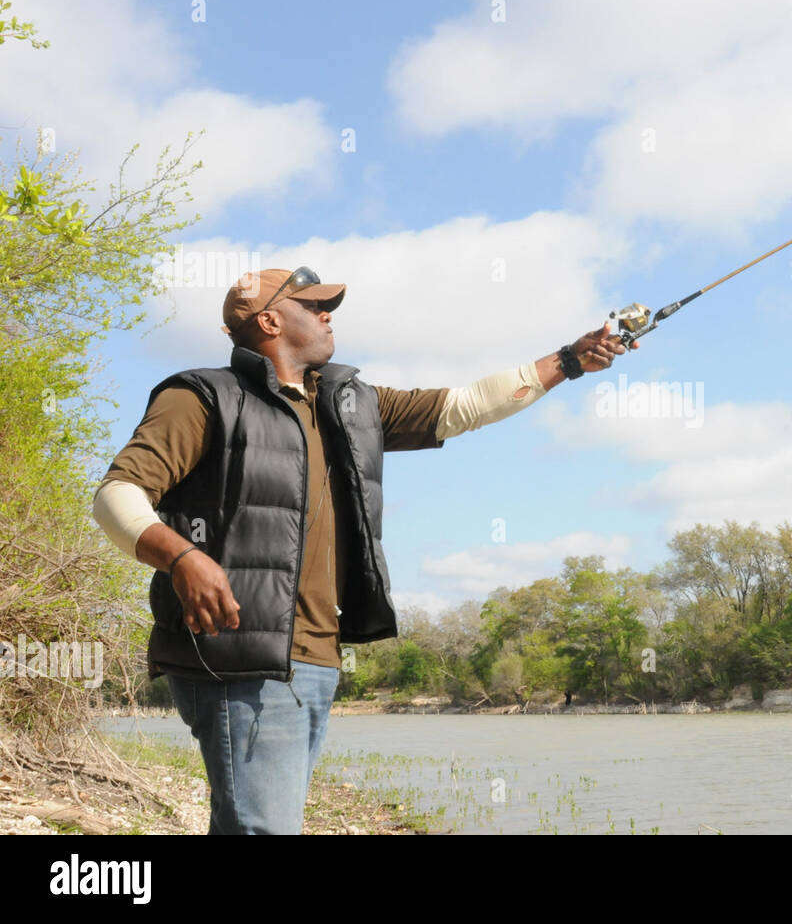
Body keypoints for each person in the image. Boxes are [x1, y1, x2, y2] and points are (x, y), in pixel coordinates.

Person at [91, 265, 636, 834]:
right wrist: (182, 558)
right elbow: (118, 494)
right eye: (316, 306)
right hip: (240, 658)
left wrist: (569, 361)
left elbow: (467, 405)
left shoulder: (351, 406)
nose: (329, 315)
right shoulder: (203, 397)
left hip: (317, 659)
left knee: (250, 825)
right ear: (271, 320)